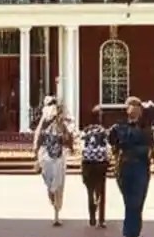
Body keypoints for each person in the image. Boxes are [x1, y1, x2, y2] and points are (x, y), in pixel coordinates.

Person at [109, 97, 154, 237]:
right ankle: (130, 236)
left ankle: (133, 235)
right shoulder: (119, 127)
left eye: (136, 106)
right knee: (130, 202)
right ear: (126, 109)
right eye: (130, 106)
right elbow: (112, 141)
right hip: (125, 168)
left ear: (140, 110)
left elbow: (150, 147)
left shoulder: (145, 127)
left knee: (137, 202)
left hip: (140, 168)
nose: (133, 110)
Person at [32, 97, 73, 226]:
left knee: (59, 185)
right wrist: (35, 153)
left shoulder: (60, 123)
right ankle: (51, 195)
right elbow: (38, 136)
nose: (52, 108)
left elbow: (67, 137)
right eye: (49, 104)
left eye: (53, 104)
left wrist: (70, 145)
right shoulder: (43, 122)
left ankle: (56, 215)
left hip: (59, 157)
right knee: (50, 183)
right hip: (46, 156)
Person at [79, 106, 111, 228]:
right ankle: (101, 219)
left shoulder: (86, 131)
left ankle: (92, 216)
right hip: (100, 164)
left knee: (89, 192)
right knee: (101, 191)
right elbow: (108, 148)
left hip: (87, 164)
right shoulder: (103, 131)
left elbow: (80, 147)